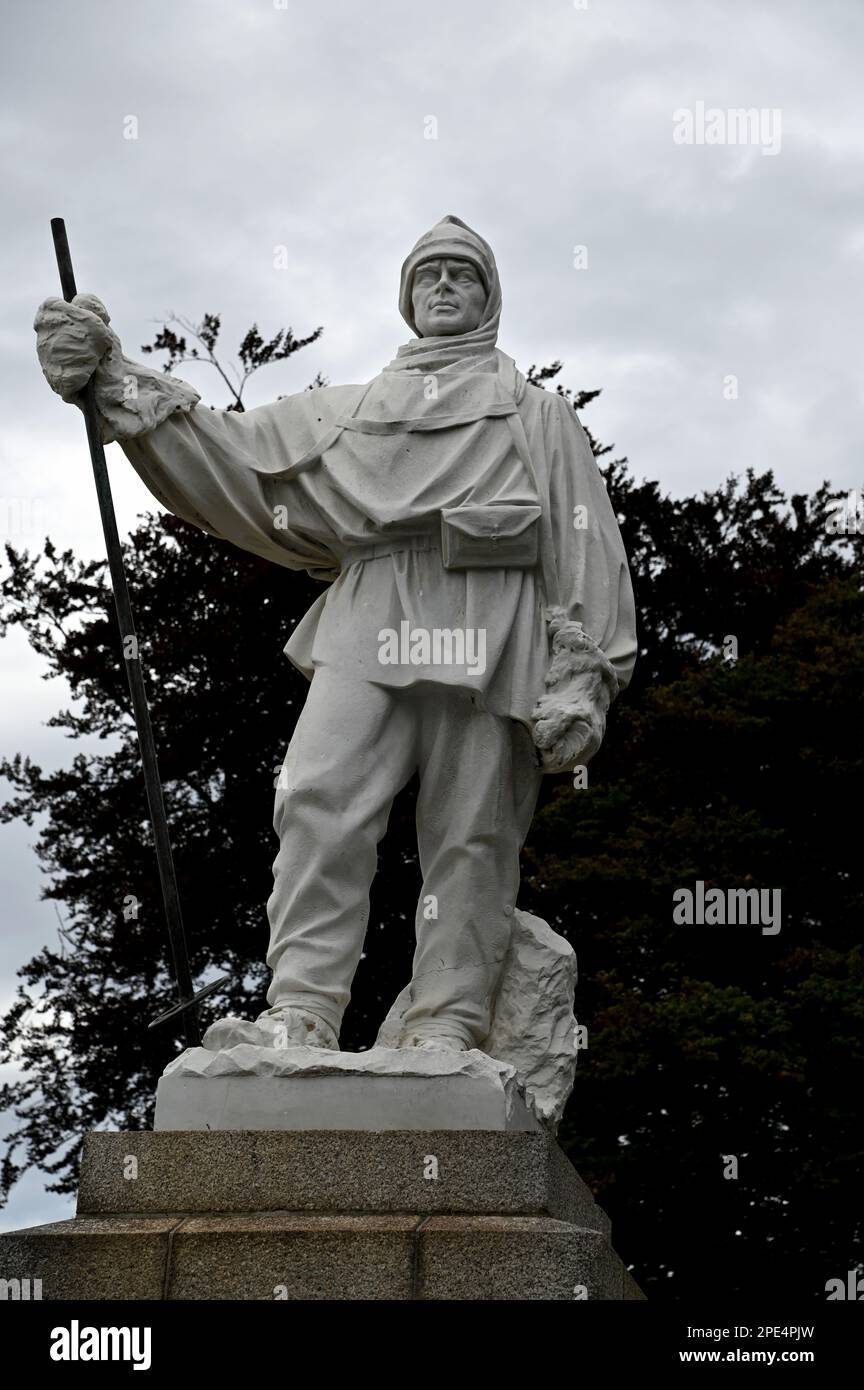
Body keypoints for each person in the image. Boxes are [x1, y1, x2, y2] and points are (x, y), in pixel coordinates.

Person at [35, 215, 637, 1054]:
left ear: (491, 296)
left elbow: (585, 542)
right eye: (428, 275)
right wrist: (111, 381)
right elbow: (233, 456)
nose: (444, 287)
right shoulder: (350, 413)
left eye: (463, 274)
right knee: (317, 799)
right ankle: (301, 1013)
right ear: (406, 299)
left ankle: (449, 1023)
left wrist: (585, 672)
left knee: (472, 832)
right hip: (373, 610)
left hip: (493, 620)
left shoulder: (537, 418)